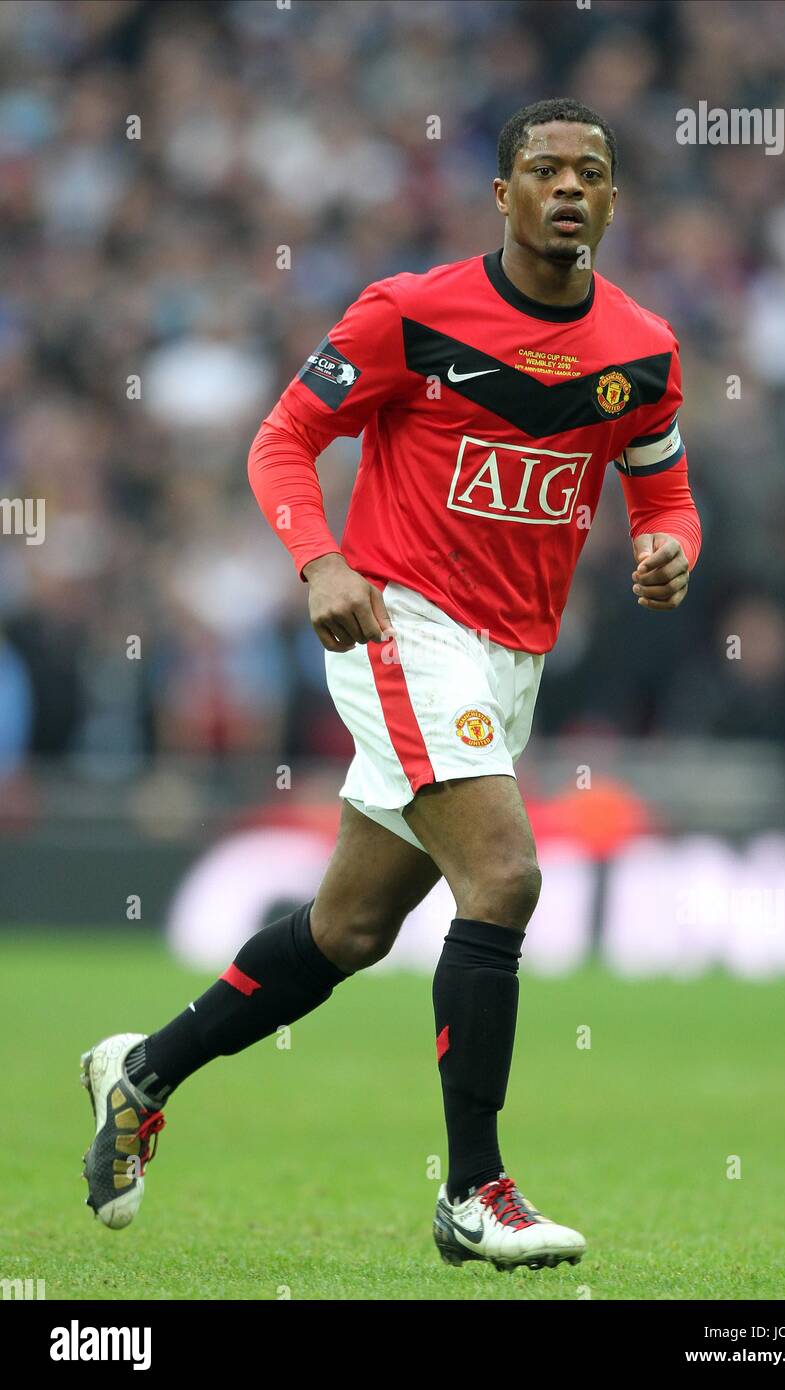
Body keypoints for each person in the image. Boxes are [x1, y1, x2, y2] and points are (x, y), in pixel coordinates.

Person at [81, 98, 700, 1272]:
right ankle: (475, 1193)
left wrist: (675, 549)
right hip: (401, 624)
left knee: (351, 927)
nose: (569, 188)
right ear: (503, 195)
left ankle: (143, 1069)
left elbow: (664, 498)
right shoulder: (410, 312)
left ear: (613, 201)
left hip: (510, 659)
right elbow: (280, 439)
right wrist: (319, 558)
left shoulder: (643, 352)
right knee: (505, 875)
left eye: (592, 173)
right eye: (543, 170)